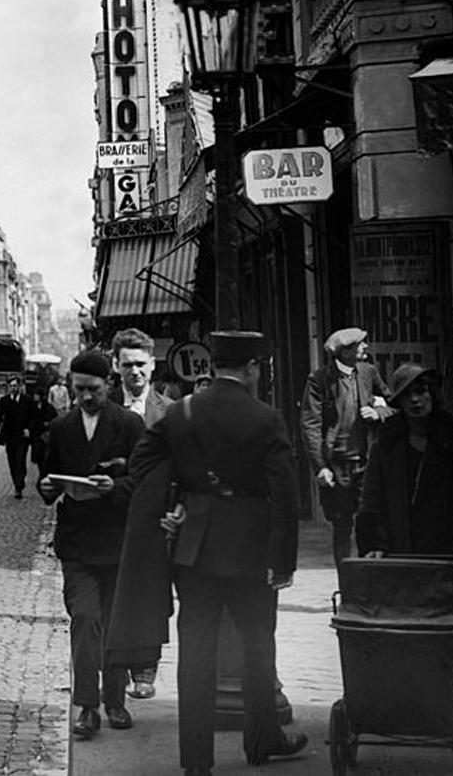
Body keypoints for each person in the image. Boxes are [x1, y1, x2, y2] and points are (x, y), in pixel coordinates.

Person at [129, 331, 305, 776]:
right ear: (251, 368)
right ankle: (263, 740)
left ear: (213, 366)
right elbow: (286, 495)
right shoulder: (267, 418)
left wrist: (176, 500)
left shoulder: (182, 412)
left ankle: (195, 761)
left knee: (197, 655)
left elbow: (142, 463)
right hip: (251, 551)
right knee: (258, 647)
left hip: (196, 547)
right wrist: (282, 562)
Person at [36, 350, 145, 742]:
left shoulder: (130, 425)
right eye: (78, 389)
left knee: (115, 624)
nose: (85, 397)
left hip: (118, 542)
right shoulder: (62, 428)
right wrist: (46, 488)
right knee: (85, 619)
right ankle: (86, 706)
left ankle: (115, 700)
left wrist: (115, 487)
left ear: (109, 385)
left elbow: (143, 480)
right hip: (78, 544)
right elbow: (48, 477)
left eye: (93, 390)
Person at [356, 362, 453, 558]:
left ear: (432, 394)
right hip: (399, 551)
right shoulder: (387, 442)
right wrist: (374, 544)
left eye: (420, 392)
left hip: (449, 552)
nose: (415, 400)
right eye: (406, 395)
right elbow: (372, 499)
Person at [108, 325, 171, 699]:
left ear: (152, 366)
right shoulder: (105, 409)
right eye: (127, 365)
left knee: (151, 596)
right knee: (117, 594)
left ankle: (146, 669)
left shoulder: (168, 412)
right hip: (113, 518)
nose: (135, 372)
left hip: (153, 520)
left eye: (141, 365)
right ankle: (118, 672)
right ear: (116, 366)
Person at [300, 326, 392, 572]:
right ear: (345, 351)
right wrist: (320, 468)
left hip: (367, 462)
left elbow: (393, 403)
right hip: (336, 465)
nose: (366, 348)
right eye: (361, 344)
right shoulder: (319, 380)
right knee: (341, 527)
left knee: (369, 523)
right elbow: (310, 425)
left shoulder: (368, 372)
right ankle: (347, 588)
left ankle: (367, 584)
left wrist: (379, 412)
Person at [0, 376, 42, 499]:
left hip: (23, 436)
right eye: (11, 386)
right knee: (12, 461)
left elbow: (35, 417)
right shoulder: (4, 401)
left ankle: (19, 484)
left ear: (20, 387)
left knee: (20, 459)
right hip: (9, 436)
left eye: (15, 386)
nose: (13, 388)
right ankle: (17, 482)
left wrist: (29, 429)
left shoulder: (27, 401)